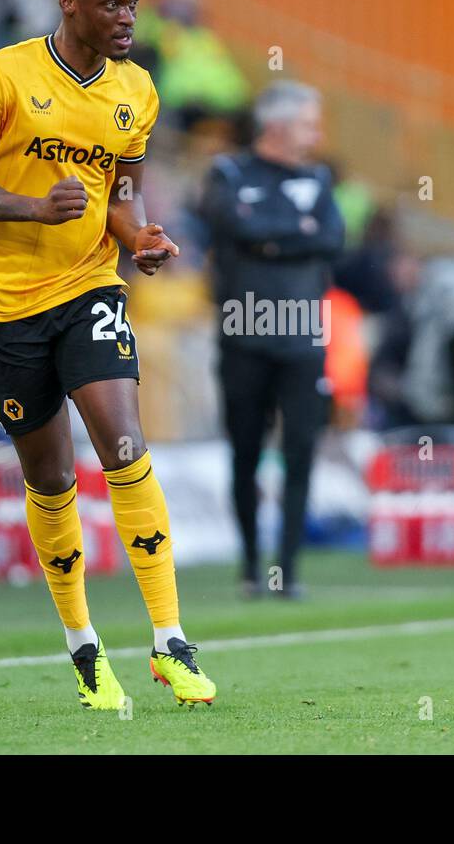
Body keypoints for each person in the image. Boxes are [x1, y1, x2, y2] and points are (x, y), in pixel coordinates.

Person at [0, 0, 216, 709]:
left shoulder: (137, 92)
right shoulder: (0, 76)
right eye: (112, 3)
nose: (127, 17)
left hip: (88, 285)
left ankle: (169, 639)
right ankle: (84, 647)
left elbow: (122, 193)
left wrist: (140, 239)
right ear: (69, 3)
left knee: (124, 444)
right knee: (51, 476)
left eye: (133, 1)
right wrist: (34, 207)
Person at [196, 81, 345, 599]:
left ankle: (289, 568)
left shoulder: (319, 178)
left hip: (303, 336)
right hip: (246, 331)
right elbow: (235, 225)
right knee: (245, 450)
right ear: (277, 126)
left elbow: (331, 238)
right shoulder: (229, 173)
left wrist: (271, 237)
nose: (318, 132)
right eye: (309, 122)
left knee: (302, 449)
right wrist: (292, 233)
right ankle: (250, 564)